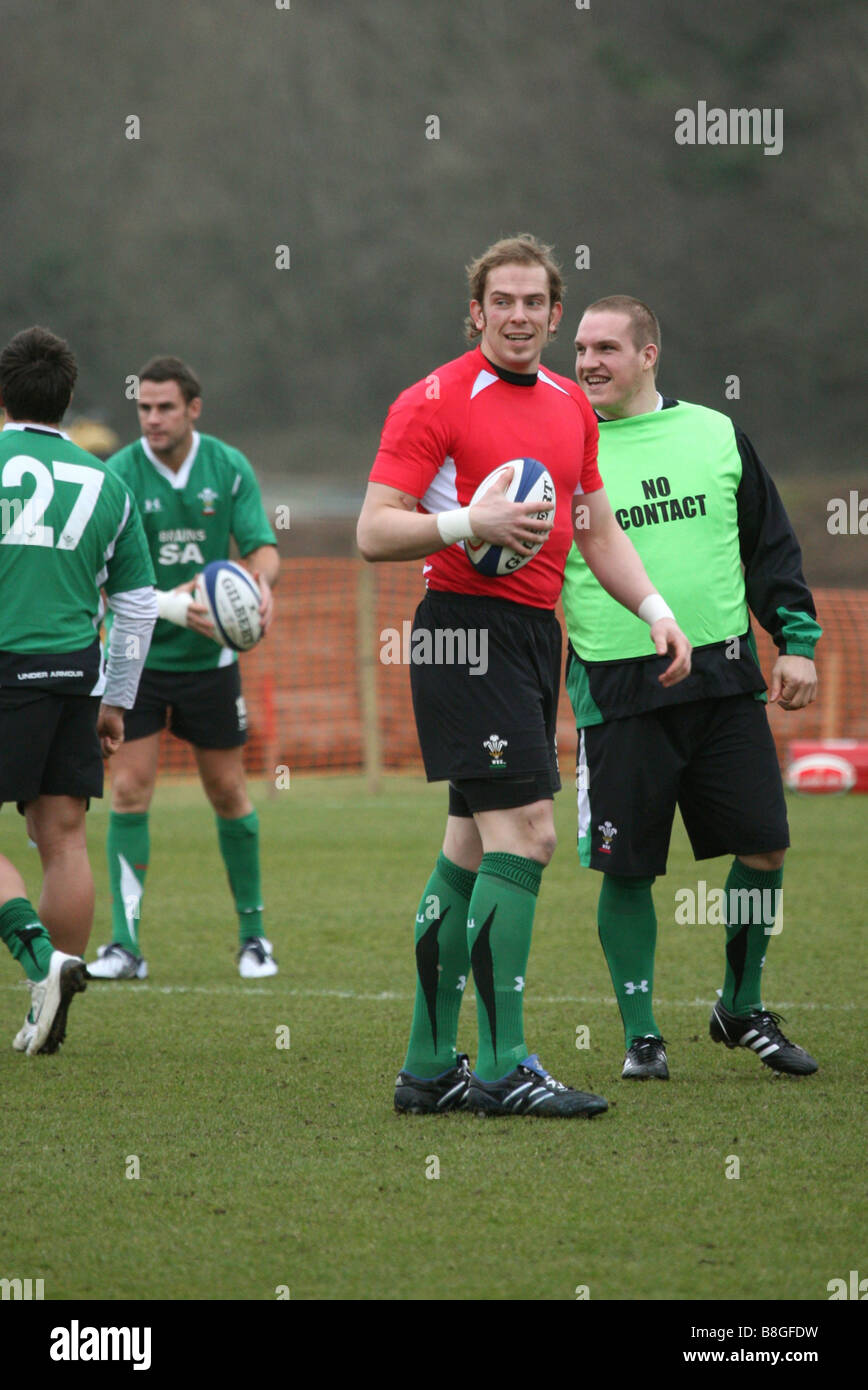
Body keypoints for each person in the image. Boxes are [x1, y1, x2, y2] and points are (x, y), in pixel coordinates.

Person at [356, 236, 691, 1116]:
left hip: (532, 639)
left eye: (532, 303)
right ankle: (503, 1066)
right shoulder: (431, 400)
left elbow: (597, 529)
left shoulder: (569, 408)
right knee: (532, 836)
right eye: (499, 301)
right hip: (459, 633)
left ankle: (429, 1069)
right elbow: (373, 531)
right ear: (476, 311)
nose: (515, 315)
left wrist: (653, 609)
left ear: (552, 313)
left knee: (467, 848)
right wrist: (470, 519)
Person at [563, 295, 821, 1081]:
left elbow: (769, 543)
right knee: (628, 867)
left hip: (723, 677)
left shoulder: (715, 434)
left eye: (606, 347)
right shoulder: (559, 445)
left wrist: (797, 642)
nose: (587, 363)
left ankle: (740, 1007)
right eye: (579, 348)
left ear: (649, 354)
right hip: (618, 687)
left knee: (766, 847)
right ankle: (642, 1035)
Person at [87, 356, 280, 981]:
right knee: (128, 788)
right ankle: (124, 946)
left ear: (193, 408)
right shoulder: (118, 474)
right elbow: (105, 580)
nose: (152, 418)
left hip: (210, 662)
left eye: (165, 407)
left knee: (227, 791)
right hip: (136, 657)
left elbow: (261, 550)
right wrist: (175, 604)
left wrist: (259, 587)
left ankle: (254, 938)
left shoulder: (227, 467)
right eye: (143, 407)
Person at [0, 326, 157, 1053]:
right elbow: (135, 605)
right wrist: (116, 697)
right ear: (66, 401)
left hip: (6, 667)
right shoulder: (110, 482)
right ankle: (50, 1009)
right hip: (73, 672)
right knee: (61, 837)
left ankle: (41, 960)